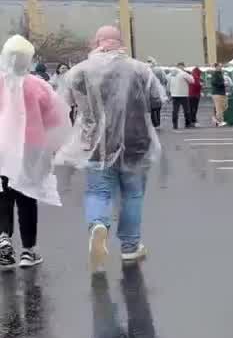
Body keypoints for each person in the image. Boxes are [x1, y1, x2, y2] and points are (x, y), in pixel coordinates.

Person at [57, 25, 166, 271]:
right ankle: (130, 246)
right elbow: (158, 100)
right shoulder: (140, 69)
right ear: (120, 42)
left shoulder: (79, 72)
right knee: (133, 194)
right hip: (135, 141)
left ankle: (98, 224)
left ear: (97, 42)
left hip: (95, 142)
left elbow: (63, 102)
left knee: (98, 191)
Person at [0, 35, 73, 269]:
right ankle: (28, 251)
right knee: (27, 197)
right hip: (31, 148)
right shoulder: (38, 85)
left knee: (3, 193)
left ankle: (3, 238)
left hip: (2, 147)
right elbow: (55, 117)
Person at [166, 63, 193, 130]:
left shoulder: (170, 74)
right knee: (186, 110)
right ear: (182, 66)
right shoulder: (183, 73)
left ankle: (175, 125)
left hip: (174, 95)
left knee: (175, 110)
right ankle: (188, 124)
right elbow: (192, 81)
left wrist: (169, 93)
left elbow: (167, 84)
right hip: (183, 94)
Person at [209, 62, 228, 127]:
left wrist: (223, 83)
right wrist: (223, 83)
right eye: (220, 66)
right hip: (217, 93)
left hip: (222, 92)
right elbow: (213, 82)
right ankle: (220, 121)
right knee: (219, 108)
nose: (221, 67)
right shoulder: (215, 74)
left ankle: (215, 118)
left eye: (221, 66)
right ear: (216, 67)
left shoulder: (220, 74)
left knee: (225, 106)